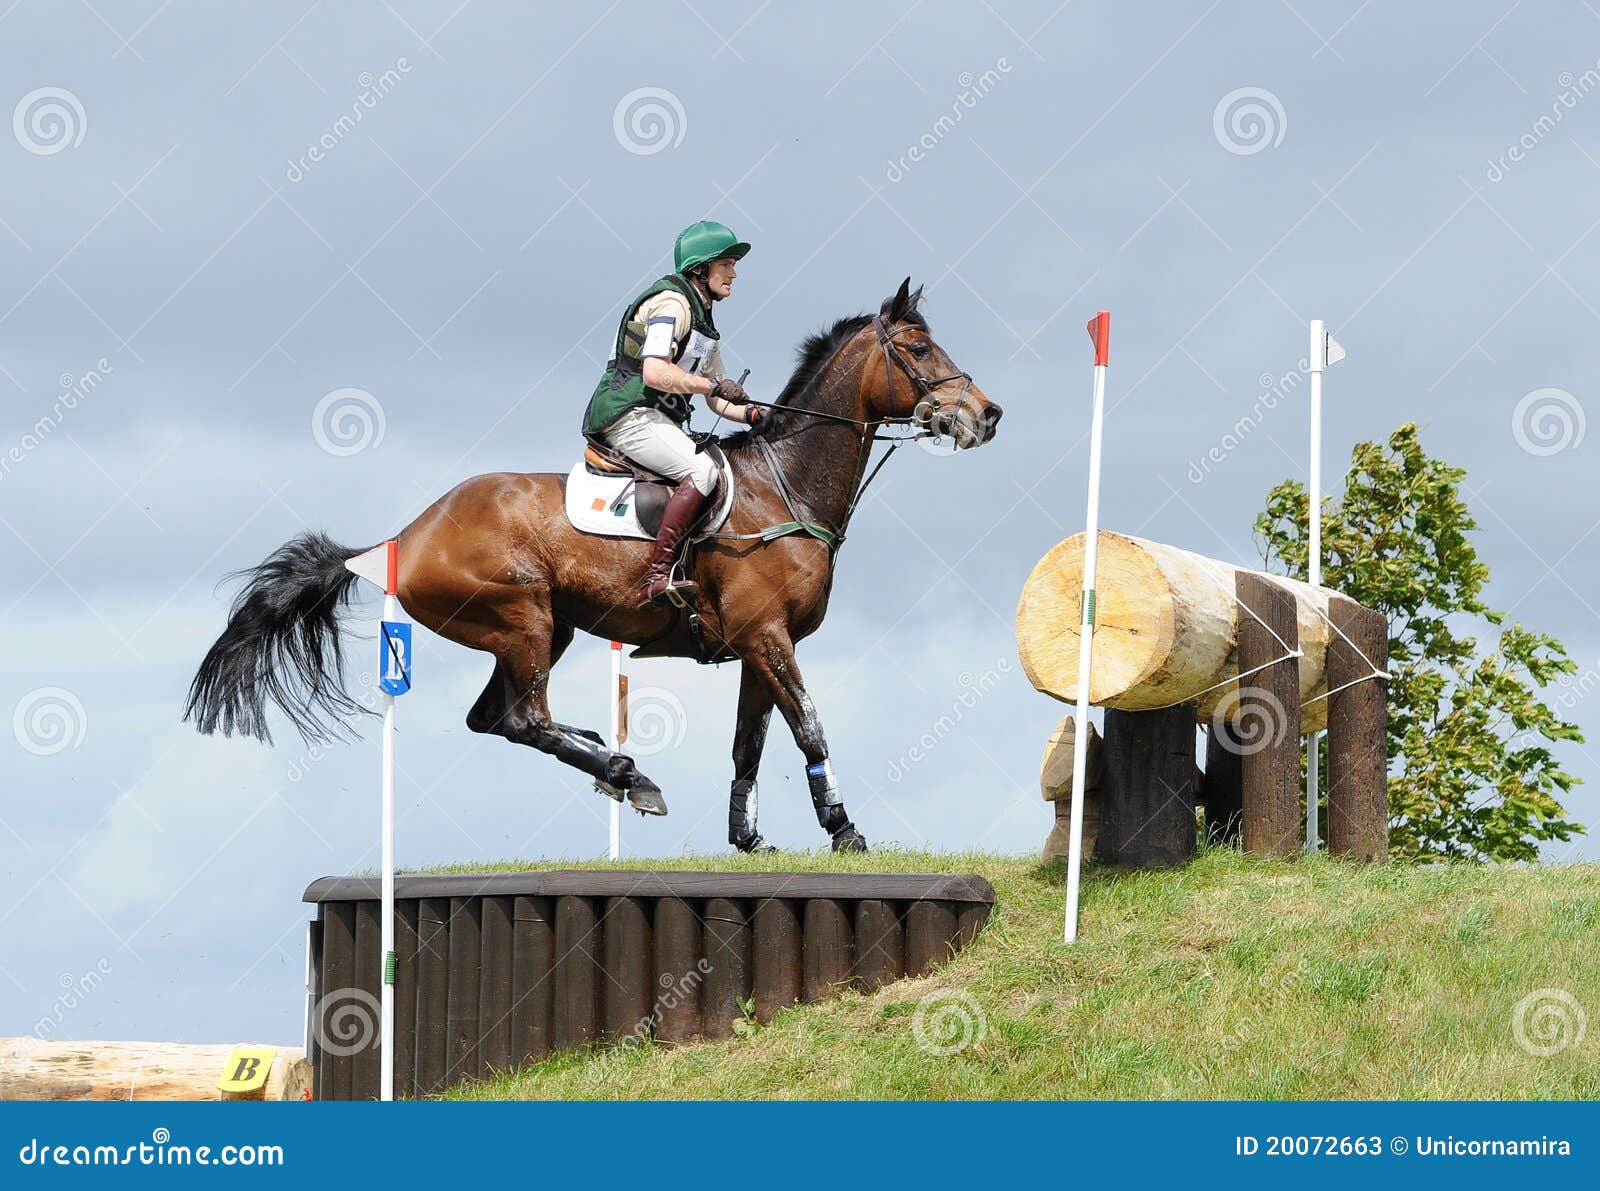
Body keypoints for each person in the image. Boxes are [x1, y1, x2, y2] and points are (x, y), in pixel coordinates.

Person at [583, 220, 764, 607]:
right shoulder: (671, 305)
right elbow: (655, 371)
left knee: (717, 466)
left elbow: (718, 399)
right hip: (628, 413)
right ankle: (656, 576)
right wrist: (712, 386)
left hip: (656, 418)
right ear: (701, 268)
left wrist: (755, 416)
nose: (734, 273)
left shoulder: (703, 323)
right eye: (727, 264)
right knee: (702, 471)